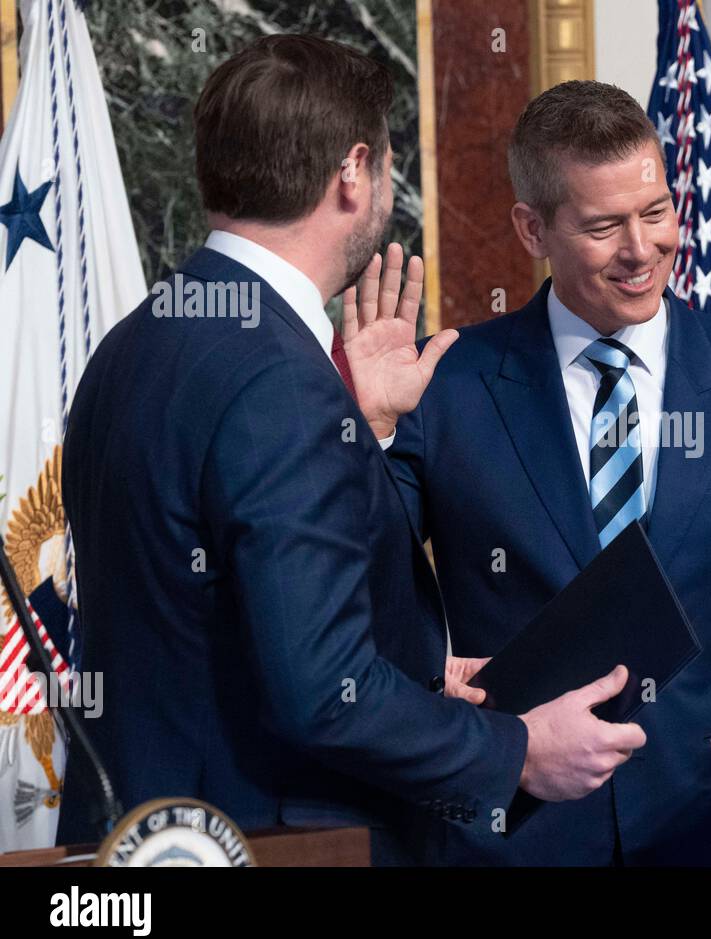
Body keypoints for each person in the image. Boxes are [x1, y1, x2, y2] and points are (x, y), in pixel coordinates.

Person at [57, 35, 644, 864]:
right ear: (353, 170)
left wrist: (413, 661)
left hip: (137, 843)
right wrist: (516, 750)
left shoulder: (133, 344)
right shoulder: (279, 379)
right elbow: (319, 694)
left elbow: (231, 612)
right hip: (270, 836)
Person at [364, 80, 711, 866]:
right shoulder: (445, 385)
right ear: (532, 228)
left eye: (655, 213)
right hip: (506, 839)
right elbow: (351, 577)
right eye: (605, 225)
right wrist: (367, 431)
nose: (641, 249)